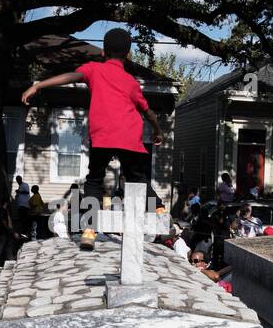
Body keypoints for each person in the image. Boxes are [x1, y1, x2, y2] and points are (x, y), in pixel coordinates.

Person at [20, 27, 165, 249]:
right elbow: (149, 112)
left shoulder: (94, 69)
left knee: (95, 180)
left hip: (104, 136)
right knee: (137, 178)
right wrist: (157, 131)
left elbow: (69, 76)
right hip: (129, 136)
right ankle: (161, 210)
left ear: (103, 51)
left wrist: (38, 85)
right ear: (128, 55)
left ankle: (89, 230)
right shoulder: (132, 83)